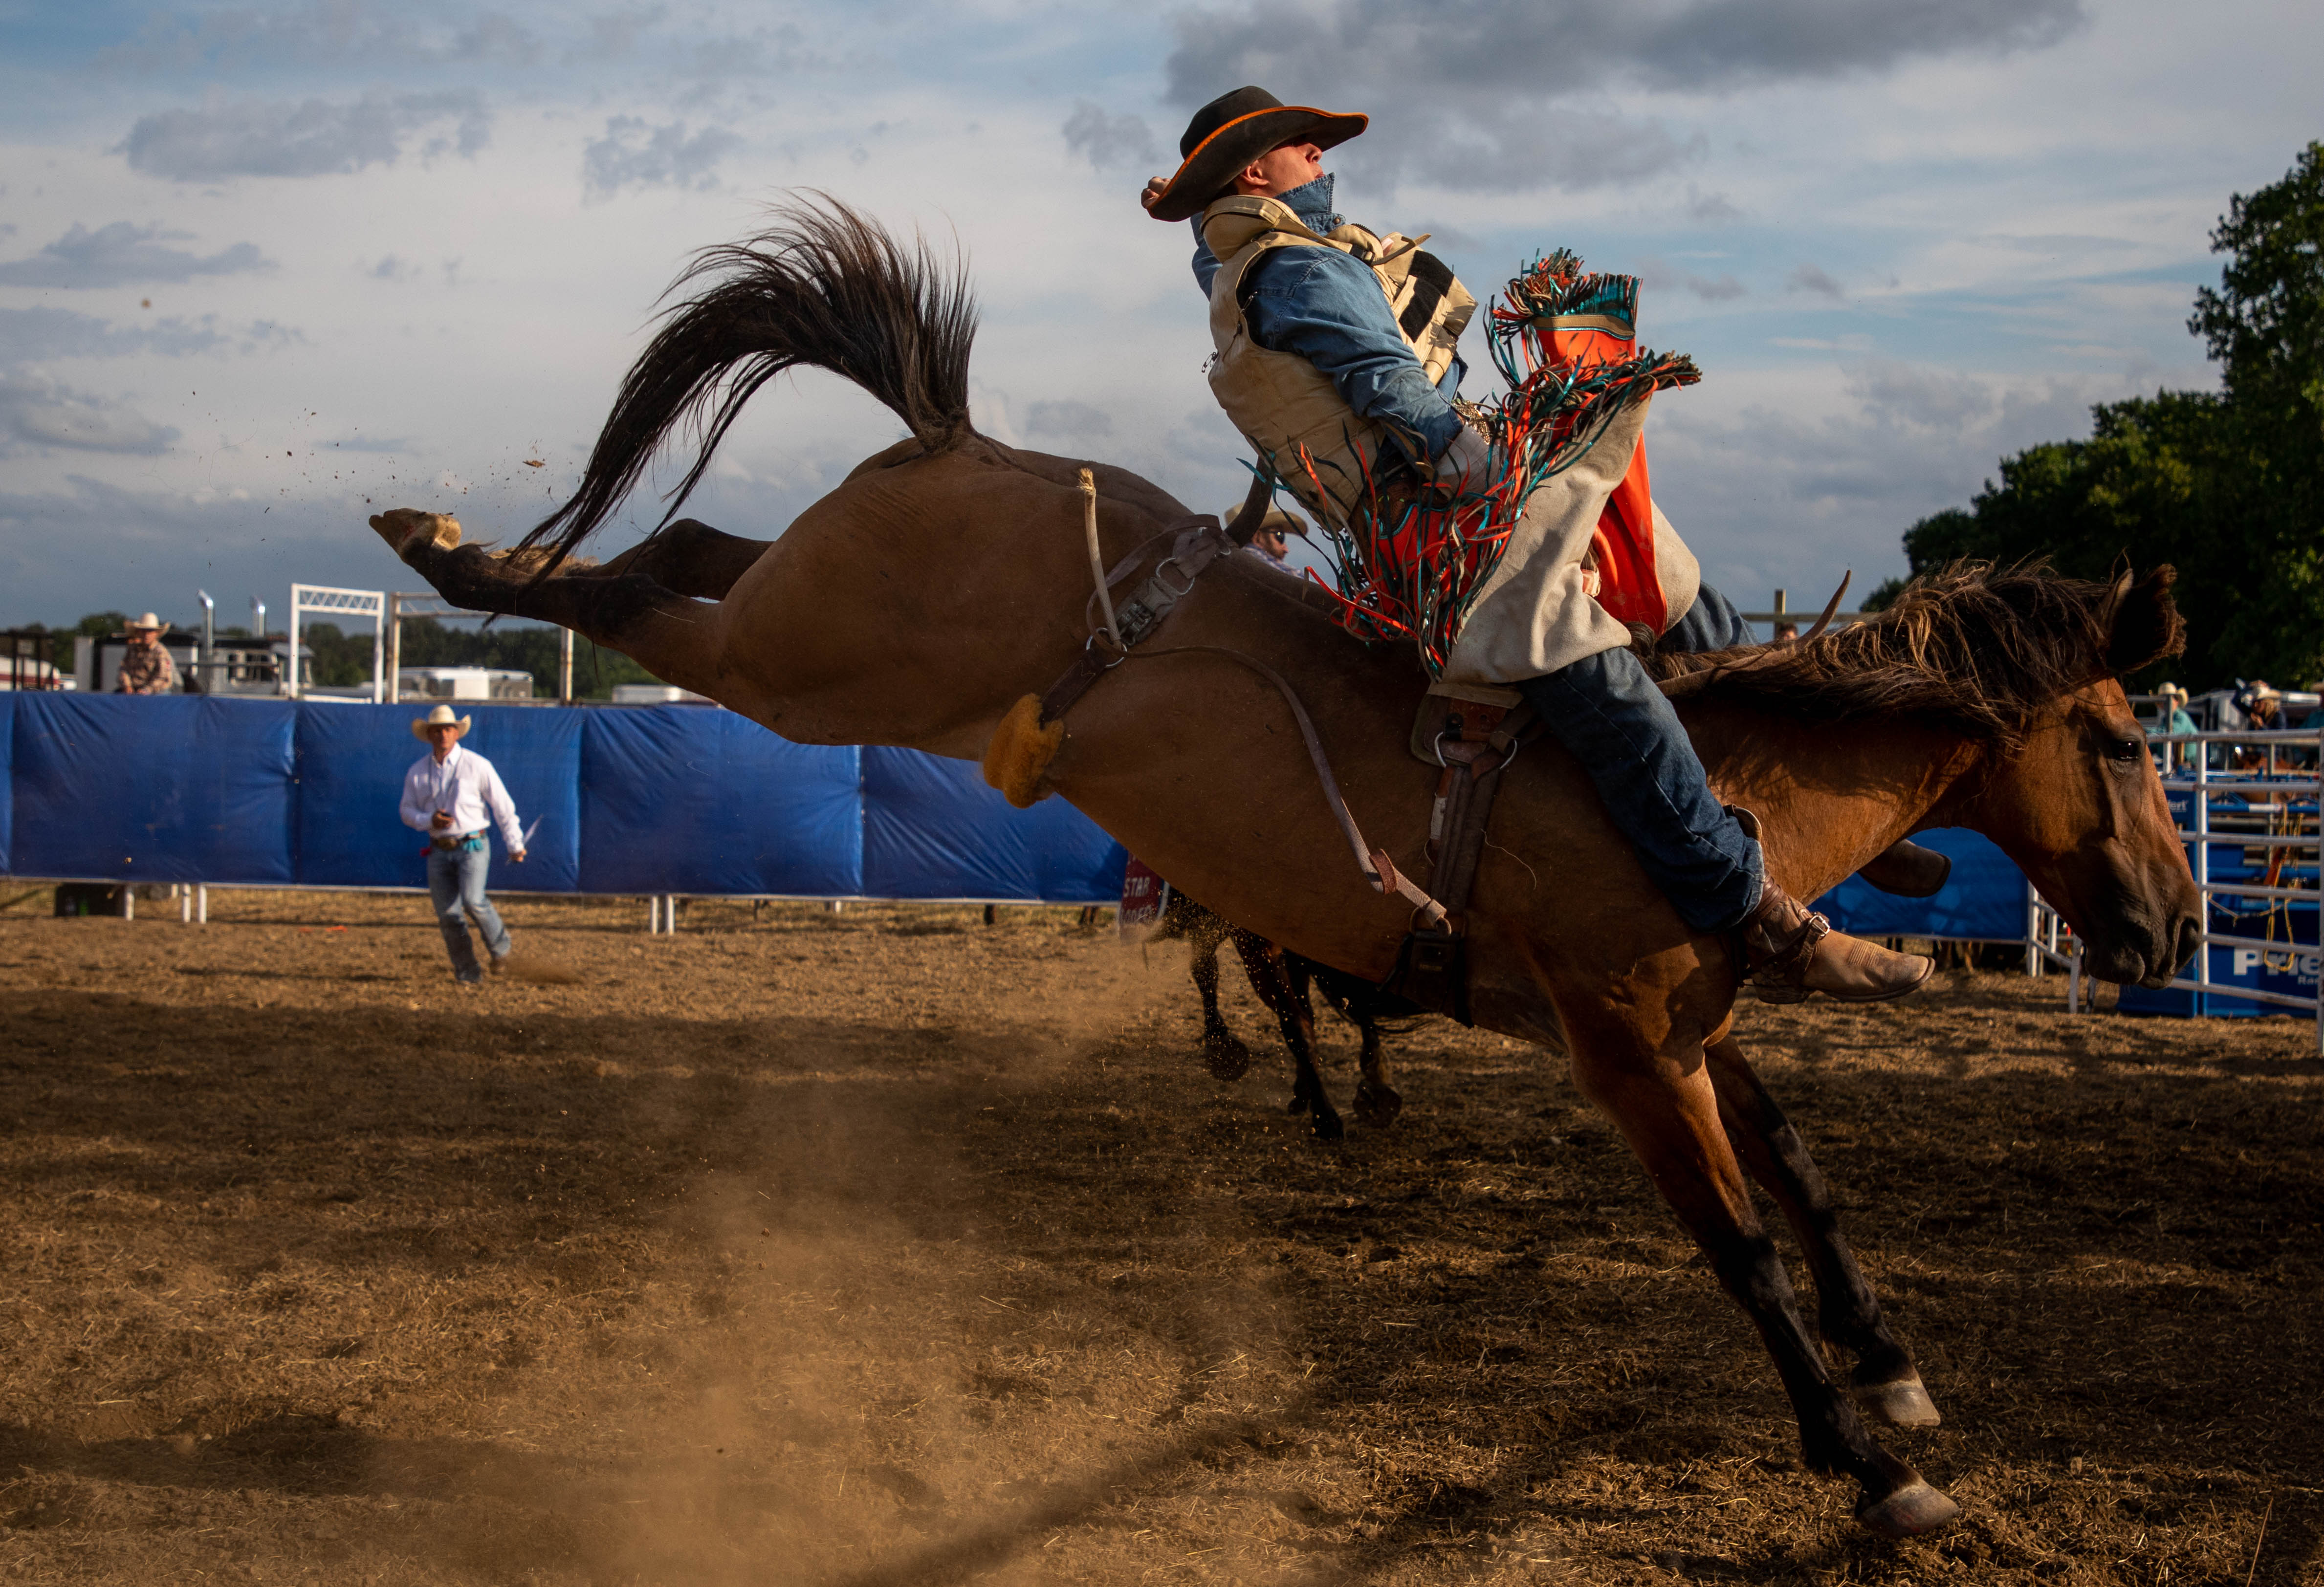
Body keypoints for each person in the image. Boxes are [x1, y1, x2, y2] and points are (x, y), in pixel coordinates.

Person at [1144, 87, 1930, 1002]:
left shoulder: (1262, 266)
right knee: (1597, 677)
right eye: (1302, 146)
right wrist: (1489, 473)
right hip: (1446, 527)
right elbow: (1389, 384)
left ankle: (1822, 789)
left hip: (1423, 518)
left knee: (1666, 579)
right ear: (1254, 169)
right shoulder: (1294, 268)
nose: (1320, 156)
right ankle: (1757, 917)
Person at [399, 704, 527, 984]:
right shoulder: (418, 772)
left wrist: (515, 843)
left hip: (473, 845)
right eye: (437, 731)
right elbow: (406, 811)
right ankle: (468, 972)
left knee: (473, 900)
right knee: (448, 915)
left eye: (448, 729)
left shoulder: (477, 765)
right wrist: (429, 820)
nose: (443, 735)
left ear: (457, 733)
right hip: (439, 848)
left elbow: (502, 806)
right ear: (429, 735)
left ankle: (501, 949)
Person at [115, 613, 177, 695]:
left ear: (156, 633)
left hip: (155, 691)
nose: (146, 635)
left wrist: (148, 689)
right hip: (134, 689)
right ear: (139, 632)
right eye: (143, 631)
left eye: (150, 631)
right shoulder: (132, 648)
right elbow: (123, 669)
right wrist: (127, 685)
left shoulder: (161, 652)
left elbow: (162, 677)